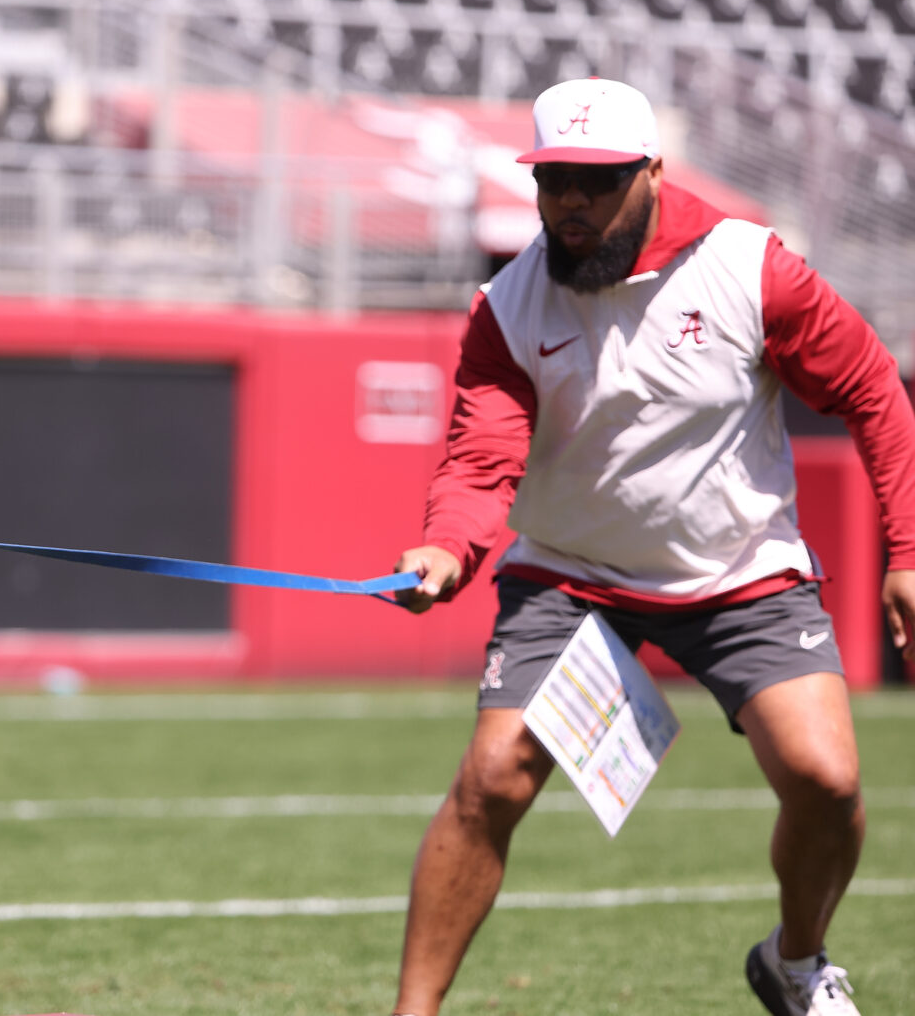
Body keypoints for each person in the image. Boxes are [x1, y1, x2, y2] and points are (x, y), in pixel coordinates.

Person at [388, 77, 914, 1016]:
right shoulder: (507, 307)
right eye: (555, 181)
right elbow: (479, 458)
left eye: (598, 180)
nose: (573, 204)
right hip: (572, 577)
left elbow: (875, 387)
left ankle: (795, 963)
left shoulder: (753, 269)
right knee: (491, 778)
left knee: (827, 780)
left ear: (653, 175)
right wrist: (446, 549)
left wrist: (908, 552)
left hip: (741, 572)